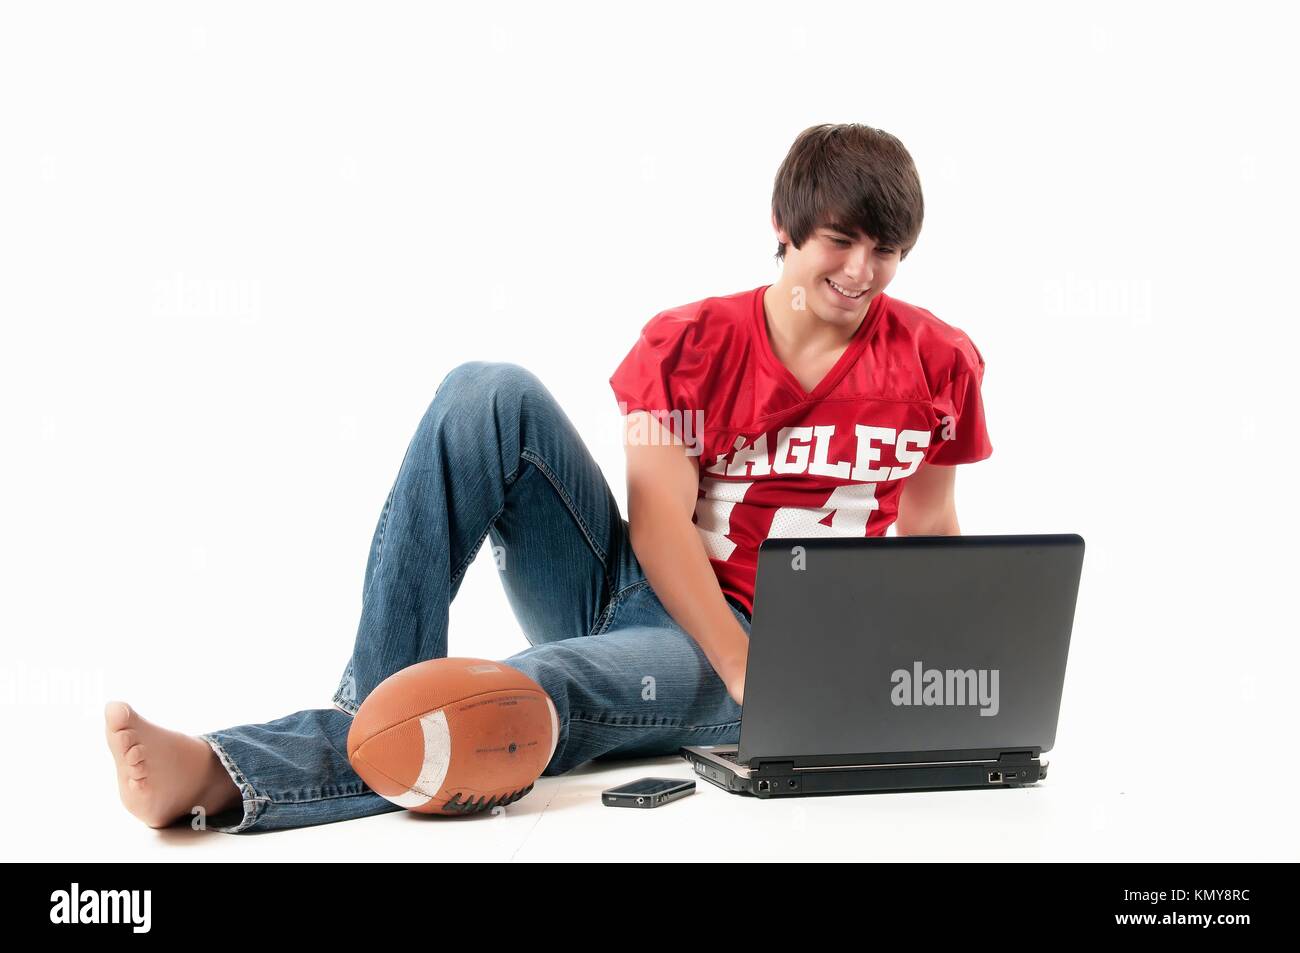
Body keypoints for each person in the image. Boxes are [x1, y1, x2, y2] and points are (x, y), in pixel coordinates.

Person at [104, 123, 992, 833]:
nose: (860, 272)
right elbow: (656, 526)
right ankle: (374, 709)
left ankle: (227, 773)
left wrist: (934, 685)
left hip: (770, 643)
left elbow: (929, 533)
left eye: (888, 252)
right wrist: (737, 662)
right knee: (486, 393)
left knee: (531, 689)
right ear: (783, 227)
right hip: (671, 605)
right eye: (841, 242)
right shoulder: (688, 344)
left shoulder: (939, 360)